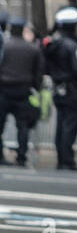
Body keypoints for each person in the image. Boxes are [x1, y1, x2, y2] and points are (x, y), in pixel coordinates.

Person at [44, 6, 77, 169]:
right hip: (72, 90)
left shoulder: (56, 44)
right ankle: (67, 160)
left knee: (61, 125)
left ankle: (62, 158)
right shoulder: (72, 46)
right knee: (69, 126)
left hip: (59, 89)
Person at [0, 17, 44, 167]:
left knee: (1, 125)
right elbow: (38, 73)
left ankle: (1, 156)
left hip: (4, 90)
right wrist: (35, 88)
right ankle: (21, 157)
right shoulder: (32, 48)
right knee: (23, 126)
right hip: (23, 90)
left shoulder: (4, 46)